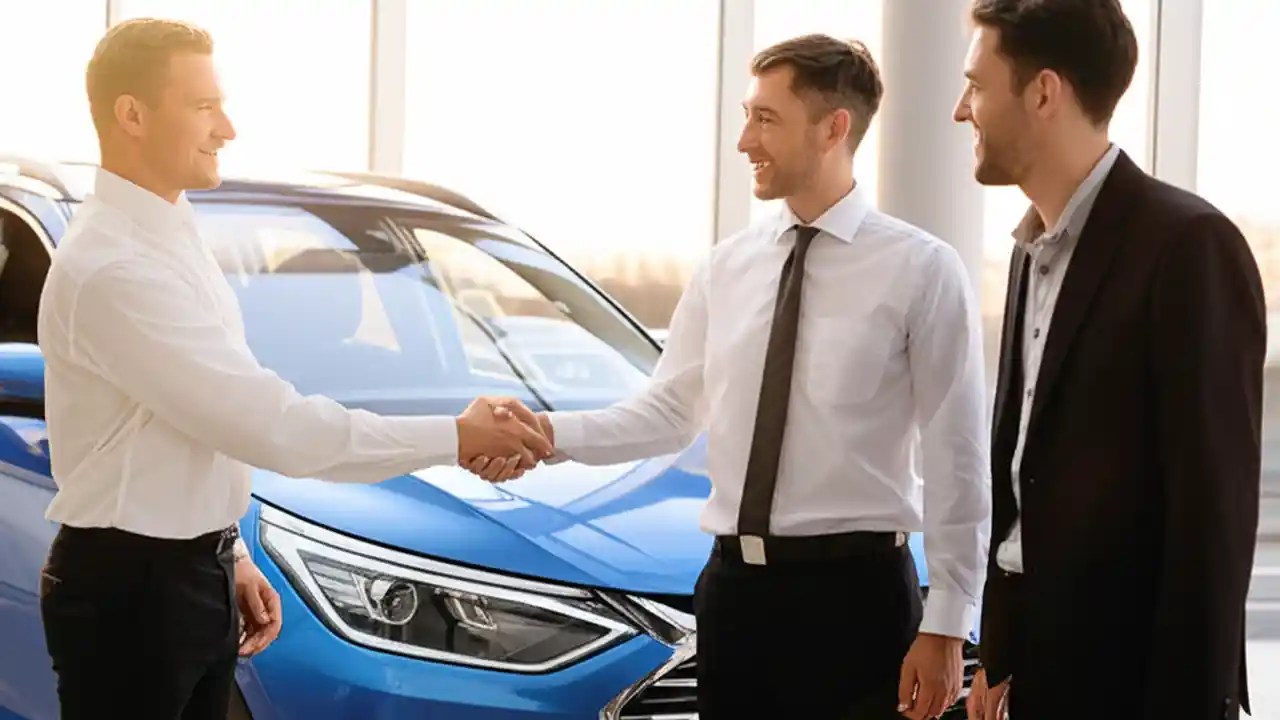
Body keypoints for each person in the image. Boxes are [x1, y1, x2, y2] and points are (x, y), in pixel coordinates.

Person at [36, 18, 551, 720]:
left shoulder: (170, 231)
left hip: (187, 574)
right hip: (133, 592)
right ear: (132, 114)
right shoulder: (116, 269)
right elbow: (273, 426)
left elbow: (194, 425)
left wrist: (231, 553)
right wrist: (457, 437)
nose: (228, 128)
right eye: (204, 106)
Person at [470, 34, 991, 720]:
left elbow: (958, 453)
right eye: (747, 116)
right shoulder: (726, 269)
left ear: (834, 127)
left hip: (859, 603)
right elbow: (665, 414)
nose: (745, 140)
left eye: (766, 119)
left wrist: (948, 620)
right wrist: (542, 434)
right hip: (734, 597)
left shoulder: (922, 270)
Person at [952, 2, 1264, 718]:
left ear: (1043, 94)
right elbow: (1026, 482)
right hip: (1028, 667)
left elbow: (1211, 522)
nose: (960, 110)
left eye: (975, 84)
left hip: (1132, 677)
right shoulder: (1031, 254)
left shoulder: (1190, 246)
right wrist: (999, 655)